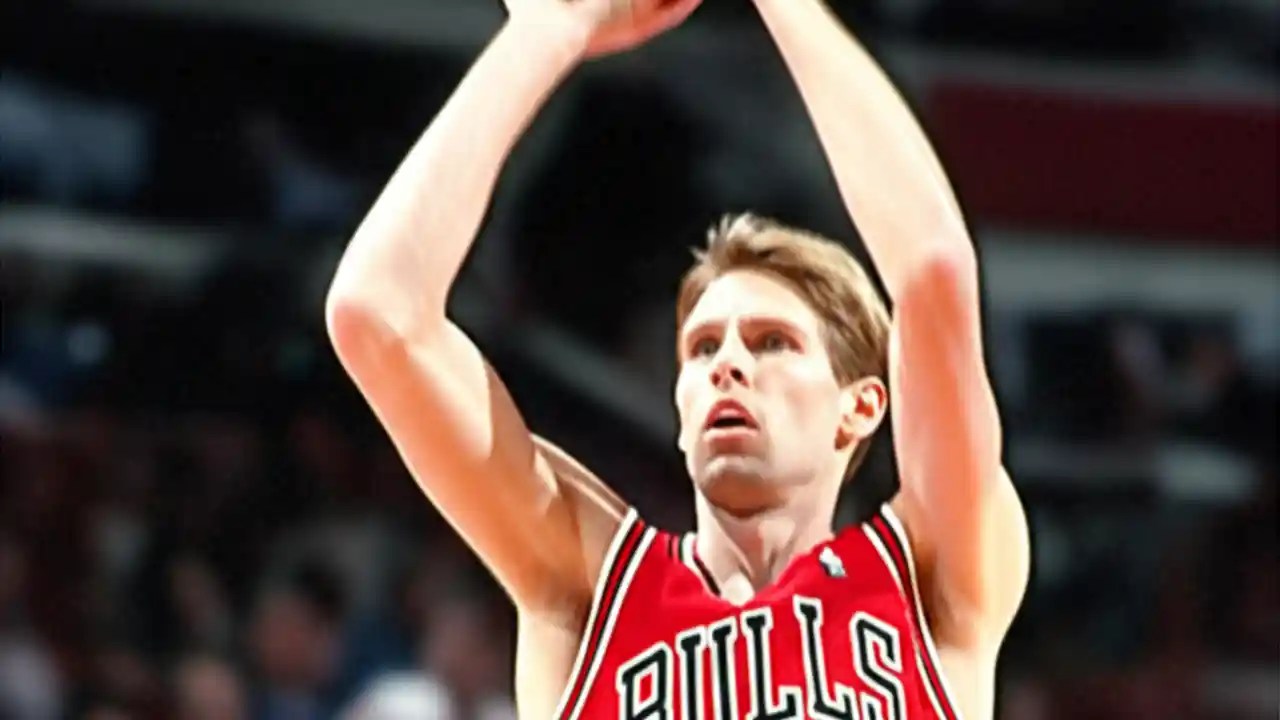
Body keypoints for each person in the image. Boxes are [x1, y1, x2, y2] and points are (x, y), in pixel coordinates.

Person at [325, 0, 1031, 717]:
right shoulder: (592, 586)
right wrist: (545, 31)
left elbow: (934, 270)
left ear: (860, 406)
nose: (727, 364)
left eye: (771, 342)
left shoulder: (928, 575)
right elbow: (376, 313)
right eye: (701, 348)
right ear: (680, 413)